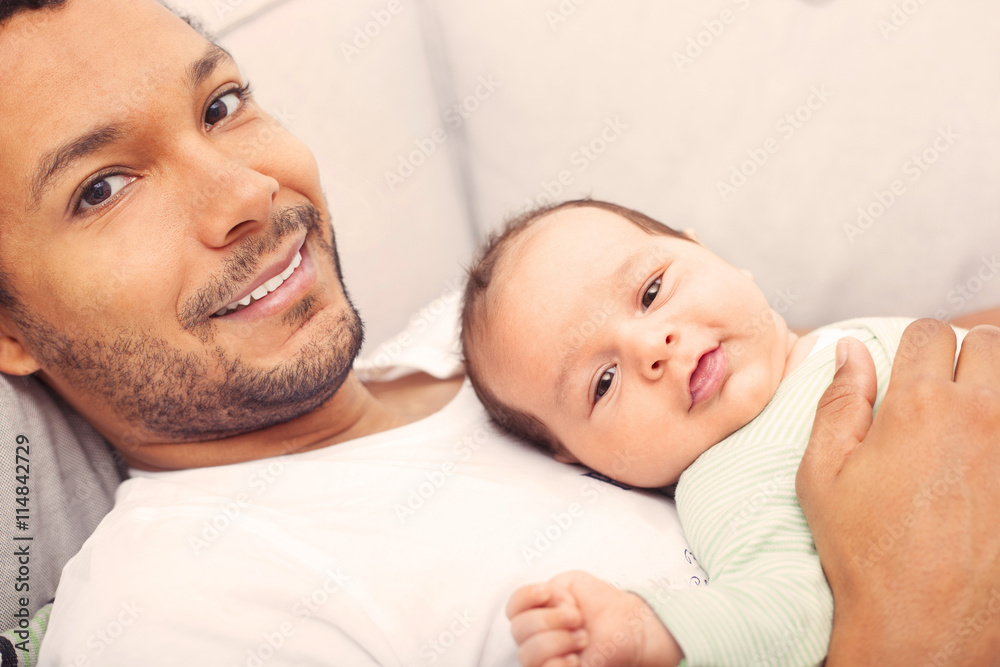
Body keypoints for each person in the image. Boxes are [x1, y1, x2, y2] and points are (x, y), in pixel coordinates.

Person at [1, 1, 1000, 665]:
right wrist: (921, 624)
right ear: (9, 328)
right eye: (102, 187)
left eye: (221, 104)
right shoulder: (178, 613)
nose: (247, 194)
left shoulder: (490, 340)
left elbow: (850, 380)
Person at [459, 199, 995, 666]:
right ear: (578, 458)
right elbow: (786, 614)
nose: (652, 345)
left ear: (710, 253)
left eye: (651, 291)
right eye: (603, 382)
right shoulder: (730, 478)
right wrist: (648, 628)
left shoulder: (834, 339)